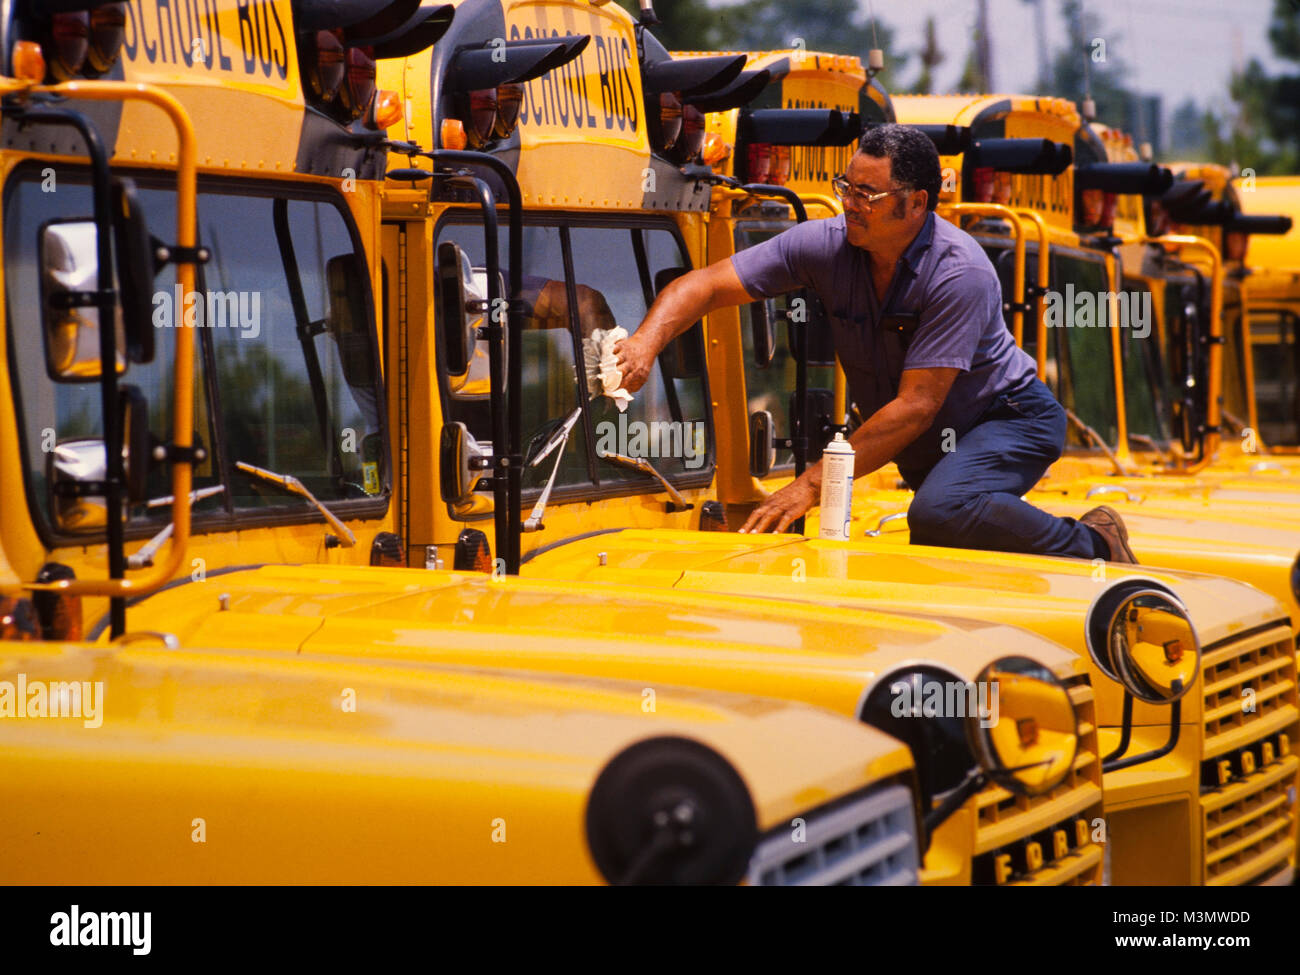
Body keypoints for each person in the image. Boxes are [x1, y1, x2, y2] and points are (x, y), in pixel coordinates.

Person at [614, 123, 1137, 563]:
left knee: (938, 513)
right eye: (846, 187)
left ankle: (1094, 544)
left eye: (867, 195)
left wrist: (809, 488)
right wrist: (643, 343)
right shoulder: (827, 243)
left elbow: (915, 407)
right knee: (938, 538)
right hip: (931, 440)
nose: (850, 205)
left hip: (1009, 418)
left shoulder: (961, 273)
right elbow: (704, 285)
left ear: (916, 204)